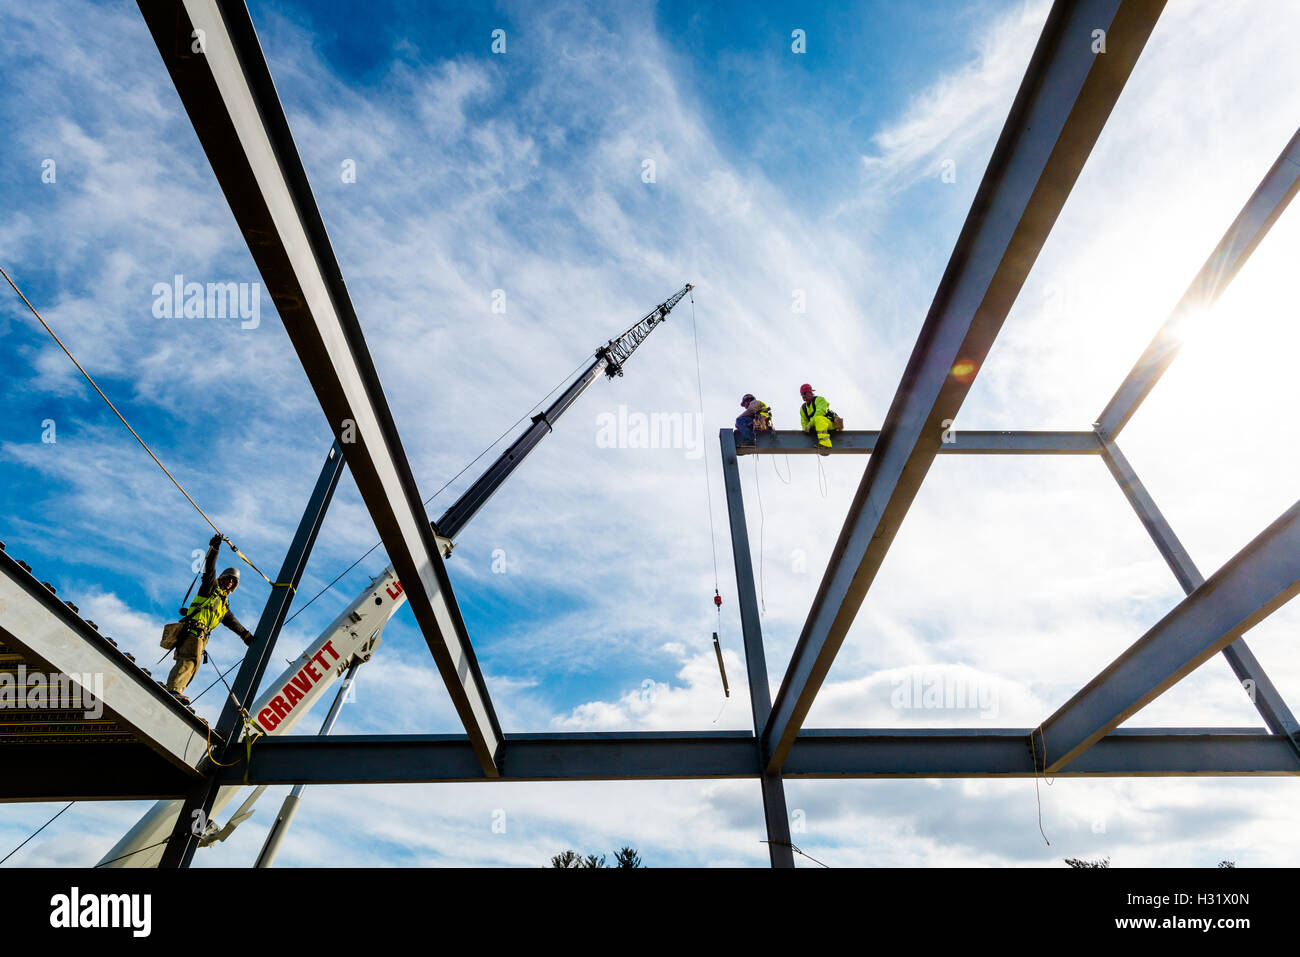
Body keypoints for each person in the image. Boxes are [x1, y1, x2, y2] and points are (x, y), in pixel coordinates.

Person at [166, 533, 255, 703]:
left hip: (201, 636)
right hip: (193, 630)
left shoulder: (223, 605)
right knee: (188, 660)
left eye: (233, 581)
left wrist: (245, 635)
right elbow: (209, 570)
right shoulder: (210, 588)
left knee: (193, 664)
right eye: (228, 578)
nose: (230, 582)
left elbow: (232, 622)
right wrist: (214, 549)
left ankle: (176, 689)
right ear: (222, 578)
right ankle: (173, 690)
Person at [799, 383, 837, 454]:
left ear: (810, 392)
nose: (803, 396)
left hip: (830, 423)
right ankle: (822, 441)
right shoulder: (803, 409)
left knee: (818, 419)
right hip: (819, 427)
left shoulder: (819, 400)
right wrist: (806, 430)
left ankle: (826, 443)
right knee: (817, 421)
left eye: (804, 393)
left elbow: (820, 412)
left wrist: (810, 424)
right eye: (802, 394)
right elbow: (804, 422)